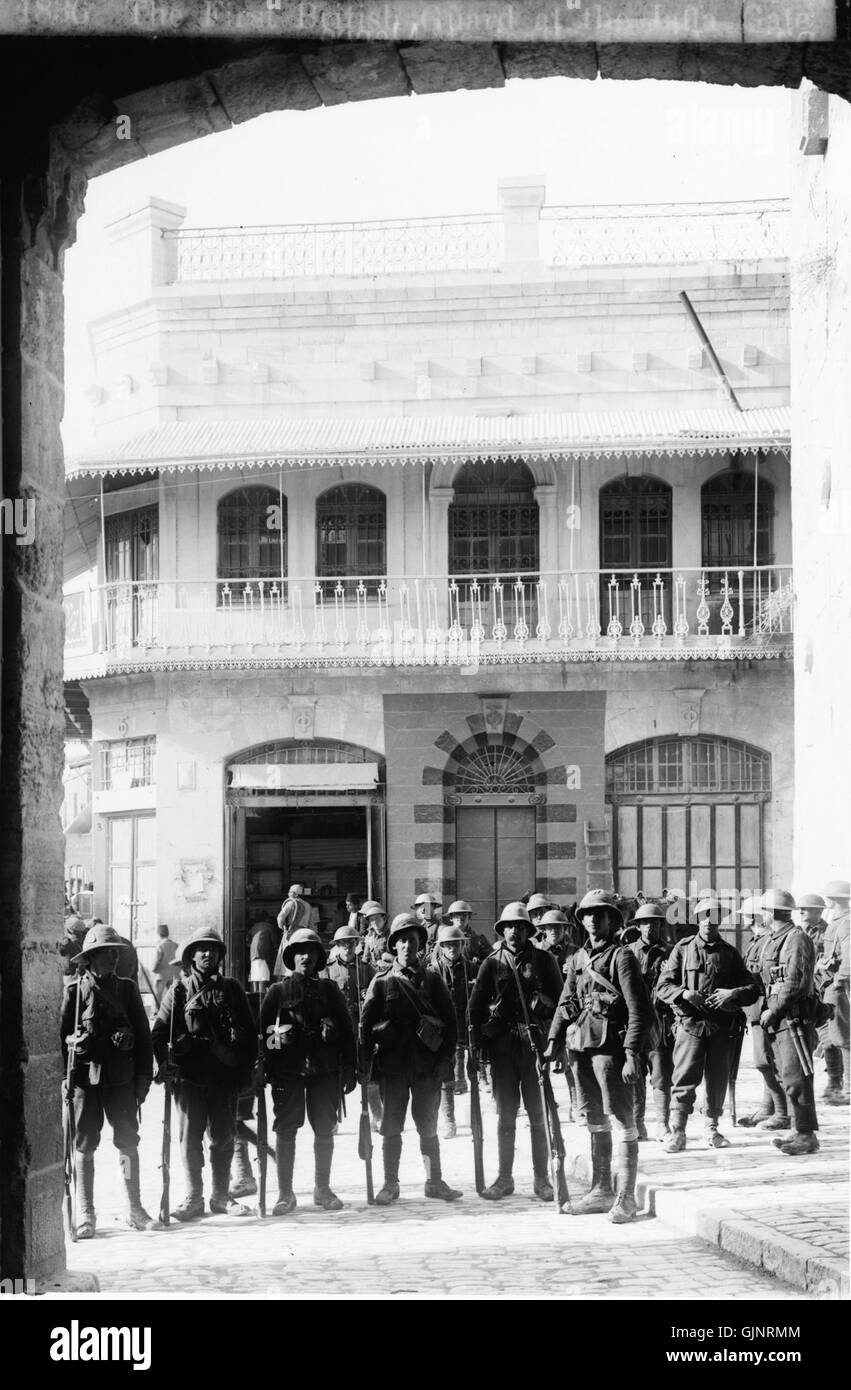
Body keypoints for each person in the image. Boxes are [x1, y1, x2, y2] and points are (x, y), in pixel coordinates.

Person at [545, 891, 652, 1222]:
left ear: (612, 920)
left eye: (599, 914)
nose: (592, 919)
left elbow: (639, 1010)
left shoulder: (623, 957)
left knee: (622, 1120)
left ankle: (626, 1196)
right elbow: (566, 1002)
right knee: (594, 1119)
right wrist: (553, 1040)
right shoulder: (578, 959)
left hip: (611, 1051)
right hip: (581, 1048)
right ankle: (601, 1189)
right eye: (587, 914)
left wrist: (633, 1054)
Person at [60, 924, 159, 1238]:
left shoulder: (128, 990)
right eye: (107, 953)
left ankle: (134, 1206)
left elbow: (144, 1038)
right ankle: (86, 1211)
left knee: (128, 1145)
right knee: (85, 1147)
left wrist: (143, 1080)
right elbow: (59, 1041)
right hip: (85, 1085)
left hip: (121, 1083)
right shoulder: (74, 993)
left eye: (116, 952)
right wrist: (72, 1049)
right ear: (90, 958)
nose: (114, 957)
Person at [152, 926, 255, 1220]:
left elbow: (249, 1033)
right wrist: (166, 1062)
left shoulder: (233, 989)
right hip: (189, 1078)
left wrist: (246, 1073)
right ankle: (194, 1197)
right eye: (201, 949)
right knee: (190, 1138)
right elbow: (159, 1033)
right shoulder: (179, 991)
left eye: (213, 949)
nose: (208, 953)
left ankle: (221, 1197)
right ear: (191, 956)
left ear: (220, 955)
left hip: (224, 1077)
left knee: (224, 1136)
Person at [360, 913, 462, 1205]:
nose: (407, 945)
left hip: (426, 1068)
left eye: (413, 940)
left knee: (428, 1126)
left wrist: (446, 1060)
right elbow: (366, 1028)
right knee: (391, 1127)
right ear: (394, 945)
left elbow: (450, 1023)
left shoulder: (432, 981)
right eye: (402, 940)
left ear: (420, 944)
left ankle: (434, 1181)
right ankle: (390, 1184)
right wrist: (365, 1066)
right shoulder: (381, 983)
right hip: (393, 1069)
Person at [468, 901, 563, 1203]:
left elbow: (562, 1003)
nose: (515, 932)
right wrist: (475, 1051)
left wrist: (555, 1043)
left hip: (534, 1046)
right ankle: (505, 1178)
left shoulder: (544, 960)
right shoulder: (491, 963)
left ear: (528, 931)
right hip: (503, 1048)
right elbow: (475, 1008)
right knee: (505, 1115)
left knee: (538, 1114)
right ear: (502, 930)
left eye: (521, 927)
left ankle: (542, 1179)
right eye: (509, 927)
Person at [258, 928, 355, 1215]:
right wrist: (262, 1067)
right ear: (291, 957)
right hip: (287, 1073)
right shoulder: (276, 992)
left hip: (325, 1071)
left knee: (324, 1130)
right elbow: (261, 1034)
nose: (305, 957)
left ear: (318, 958)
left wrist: (350, 1067)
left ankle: (322, 1189)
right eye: (299, 952)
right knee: (286, 1130)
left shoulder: (329, 990)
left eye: (311, 952)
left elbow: (347, 1031)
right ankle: (285, 1194)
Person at [656, 897, 759, 1153]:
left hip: (721, 1027)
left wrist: (732, 993)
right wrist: (684, 994)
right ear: (698, 919)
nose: (709, 922)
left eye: (714, 917)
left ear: (721, 921)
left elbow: (752, 990)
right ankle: (678, 1131)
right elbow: (662, 986)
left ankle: (711, 1128)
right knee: (684, 1077)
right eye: (704, 916)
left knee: (717, 1078)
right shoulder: (682, 949)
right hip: (690, 1025)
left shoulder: (730, 953)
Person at [756, 890, 820, 1154]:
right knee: (787, 1076)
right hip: (781, 1018)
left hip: (793, 1018)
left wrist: (774, 1010)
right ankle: (798, 1130)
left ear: (771, 913)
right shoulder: (774, 939)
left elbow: (796, 981)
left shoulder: (796, 939)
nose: (762, 916)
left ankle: (806, 1135)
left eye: (763, 911)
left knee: (798, 1077)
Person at [326, 922, 382, 1131]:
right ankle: (332, 1119)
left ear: (357, 944)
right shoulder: (328, 971)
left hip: (362, 1031)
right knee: (335, 1075)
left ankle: (376, 1116)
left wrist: (367, 997)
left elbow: (378, 998)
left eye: (351, 943)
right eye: (343, 943)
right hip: (339, 1034)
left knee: (370, 1075)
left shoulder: (367, 969)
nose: (347, 947)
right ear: (337, 946)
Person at [626, 902, 674, 1141]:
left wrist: (669, 974)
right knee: (634, 1072)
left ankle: (662, 1124)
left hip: (661, 1020)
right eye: (645, 923)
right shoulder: (627, 952)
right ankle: (637, 1123)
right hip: (634, 1020)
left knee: (661, 1074)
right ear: (638, 926)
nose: (650, 927)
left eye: (654, 923)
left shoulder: (671, 953)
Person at [428, 923, 477, 1138]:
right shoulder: (433, 971)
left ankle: (476, 1115)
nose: (452, 949)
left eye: (456, 945)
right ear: (441, 947)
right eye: (447, 945)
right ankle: (448, 1117)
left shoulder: (472, 968)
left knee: (476, 1069)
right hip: (444, 1028)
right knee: (445, 1071)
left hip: (467, 1024)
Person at [817, 878, 850, 1106]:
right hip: (828, 983)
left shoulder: (846, 922)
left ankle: (848, 1088)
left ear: (835, 899)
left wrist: (839, 981)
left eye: (829, 897)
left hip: (836, 986)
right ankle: (837, 1085)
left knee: (843, 1038)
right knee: (831, 1037)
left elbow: (849, 956)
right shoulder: (836, 921)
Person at [446, 900, 491, 968]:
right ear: (451, 918)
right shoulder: (444, 937)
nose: (461, 917)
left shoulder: (479, 940)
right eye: (457, 914)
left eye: (464, 914)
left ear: (469, 917)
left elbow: (491, 961)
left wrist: (478, 962)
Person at [535, 908, 577, 974]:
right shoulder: (535, 949)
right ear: (544, 929)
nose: (553, 930)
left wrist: (575, 971)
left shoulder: (576, 952)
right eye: (550, 926)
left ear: (564, 928)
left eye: (557, 926)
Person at [274, 884, 312, 956]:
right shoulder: (307, 905)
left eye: (290, 891)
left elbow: (280, 918)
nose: (289, 893)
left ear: (295, 893)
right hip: (304, 933)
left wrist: (283, 927)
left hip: (291, 932)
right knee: (300, 954)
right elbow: (311, 922)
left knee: (288, 954)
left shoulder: (291, 903)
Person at [248, 913, 280, 987]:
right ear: (266, 919)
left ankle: (255, 995)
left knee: (255, 977)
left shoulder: (253, 927)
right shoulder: (269, 926)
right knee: (262, 978)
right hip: (263, 955)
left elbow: (248, 939)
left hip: (253, 956)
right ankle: (261, 997)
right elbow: (274, 940)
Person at [151, 924, 180, 1001]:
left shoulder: (160, 945)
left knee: (157, 996)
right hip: (174, 975)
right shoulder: (176, 945)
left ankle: (156, 1012)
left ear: (159, 934)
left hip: (161, 975)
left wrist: (153, 970)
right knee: (174, 996)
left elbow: (157, 960)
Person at [361, 901, 391, 969]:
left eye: (377, 918)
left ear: (384, 919)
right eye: (371, 920)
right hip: (374, 972)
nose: (374, 922)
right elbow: (365, 958)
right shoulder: (370, 937)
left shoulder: (391, 935)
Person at [60, 907, 88, 977]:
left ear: (69, 930)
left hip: (70, 976)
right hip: (84, 974)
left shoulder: (67, 944)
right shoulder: (87, 940)